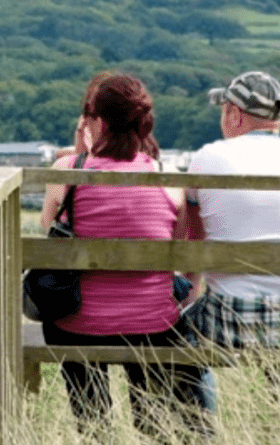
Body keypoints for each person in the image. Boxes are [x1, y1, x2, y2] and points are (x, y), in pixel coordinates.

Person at [40, 72, 213, 440]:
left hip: (78, 324)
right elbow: (178, 249)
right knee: (158, 325)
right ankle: (149, 426)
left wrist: (81, 154)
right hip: (152, 325)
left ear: (96, 122)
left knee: (70, 326)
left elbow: (48, 233)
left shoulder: (68, 172)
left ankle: (94, 428)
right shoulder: (167, 179)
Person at [184, 71, 280, 365]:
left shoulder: (206, 158)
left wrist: (189, 296)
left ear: (234, 114)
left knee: (178, 334)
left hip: (233, 314)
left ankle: (196, 412)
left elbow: (196, 240)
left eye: (224, 111)